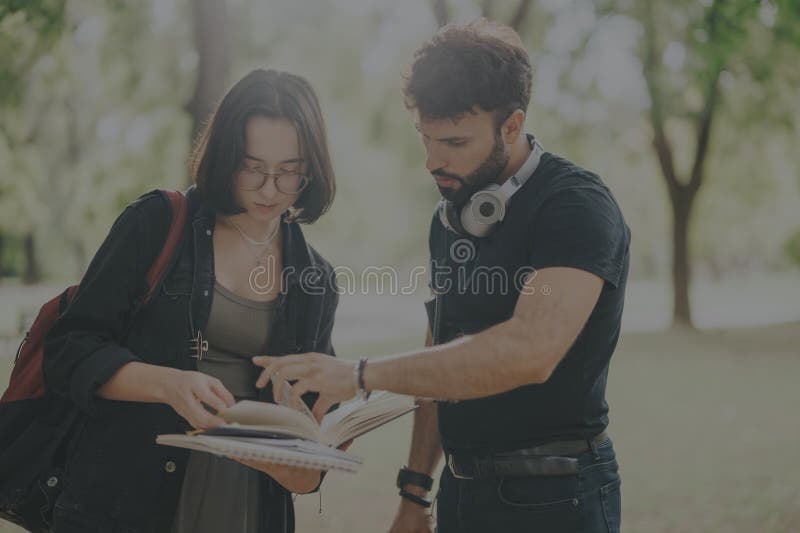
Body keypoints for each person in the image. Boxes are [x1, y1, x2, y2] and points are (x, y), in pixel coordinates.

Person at [252, 20, 631, 533]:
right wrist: (415, 491)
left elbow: (530, 351)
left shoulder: (575, 207)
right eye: (425, 138)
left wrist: (361, 374)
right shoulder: (451, 214)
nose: (433, 160)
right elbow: (442, 349)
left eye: (453, 141)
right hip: (461, 492)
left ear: (513, 126)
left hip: (557, 494)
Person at [43, 68, 339, 533]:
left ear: (312, 168)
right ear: (225, 155)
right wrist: (166, 384)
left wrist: (305, 463)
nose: (269, 189)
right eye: (252, 167)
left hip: (246, 509)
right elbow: (68, 350)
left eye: (289, 173)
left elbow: (307, 468)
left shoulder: (315, 278)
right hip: (126, 501)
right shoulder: (157, 223)